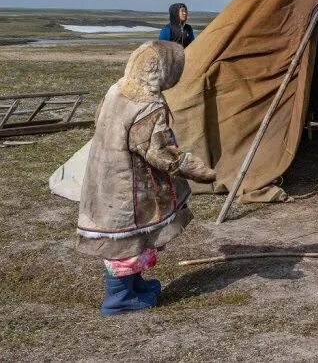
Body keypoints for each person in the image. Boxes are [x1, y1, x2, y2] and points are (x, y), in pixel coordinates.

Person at [76, 41, 216, 315]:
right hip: (130, 186)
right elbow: (158, 152)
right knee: (124, 241)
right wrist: (194, 168)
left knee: (134, 240)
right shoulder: (148, 106)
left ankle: (134, 285)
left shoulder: (117, 90)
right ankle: (119, 299)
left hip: (107, 176)